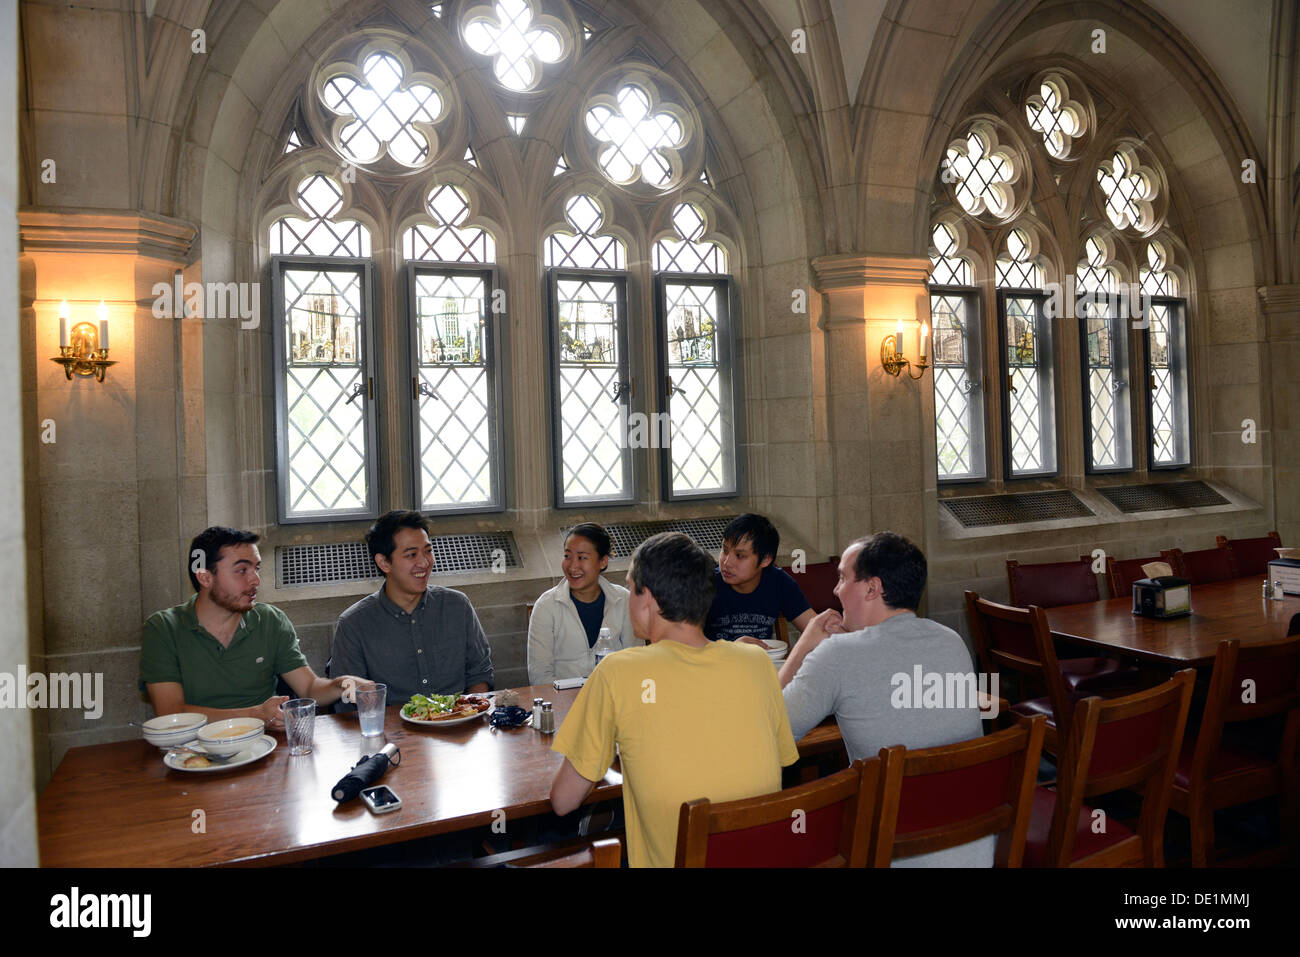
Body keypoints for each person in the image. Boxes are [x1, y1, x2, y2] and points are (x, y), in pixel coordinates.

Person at [550, 532, 799, 867]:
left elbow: (563, 801)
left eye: (630, 587)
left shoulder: (617, 673)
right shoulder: (756, 663)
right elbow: (781, 761)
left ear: (647, 598)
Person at [779, 531, 991, 867]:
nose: (836, 590)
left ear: (872, 588)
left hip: (891, 850)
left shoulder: (838, 654)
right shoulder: (950, 640)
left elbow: (774, 734)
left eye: (843, 578)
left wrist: (805, 646)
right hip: (974, 843)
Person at [140, 527, 367, 727]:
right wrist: (255, 715)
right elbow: (171, 714)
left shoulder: (271, 620)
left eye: (256, 568)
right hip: (191, 755)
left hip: (263, 749)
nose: (255, 580)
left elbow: (309, 688)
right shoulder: (163, 628)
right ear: (205, 577)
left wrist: (341, 685)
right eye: (242, 570)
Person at [329, 510, 493, 703]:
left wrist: (467, 712)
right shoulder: (353, 623)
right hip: (390, 730)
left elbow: (480, 674)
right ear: (384, 563)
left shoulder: (457, 606)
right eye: (411, 554)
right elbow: (346, 703)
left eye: (428, 551)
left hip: (459, 725)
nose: (424, 562)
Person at [527, 523, 639, 684]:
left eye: (582, 557)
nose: (572, 566)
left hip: (614, 699)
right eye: (567, 556)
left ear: (603, 562)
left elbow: (634, 665)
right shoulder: (546, 606)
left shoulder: (624, 600)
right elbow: (539, 677)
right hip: (563, 703)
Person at [705, 513, 815, 645]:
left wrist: (828, 625)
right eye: (725, 550)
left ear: (765, 560)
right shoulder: (706, 584)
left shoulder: (780, 583)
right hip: (713, 663)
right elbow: (682, 644)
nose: (726, 562)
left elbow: (814, 631)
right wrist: (732, 649)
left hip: (761, 662)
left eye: (739, 555)